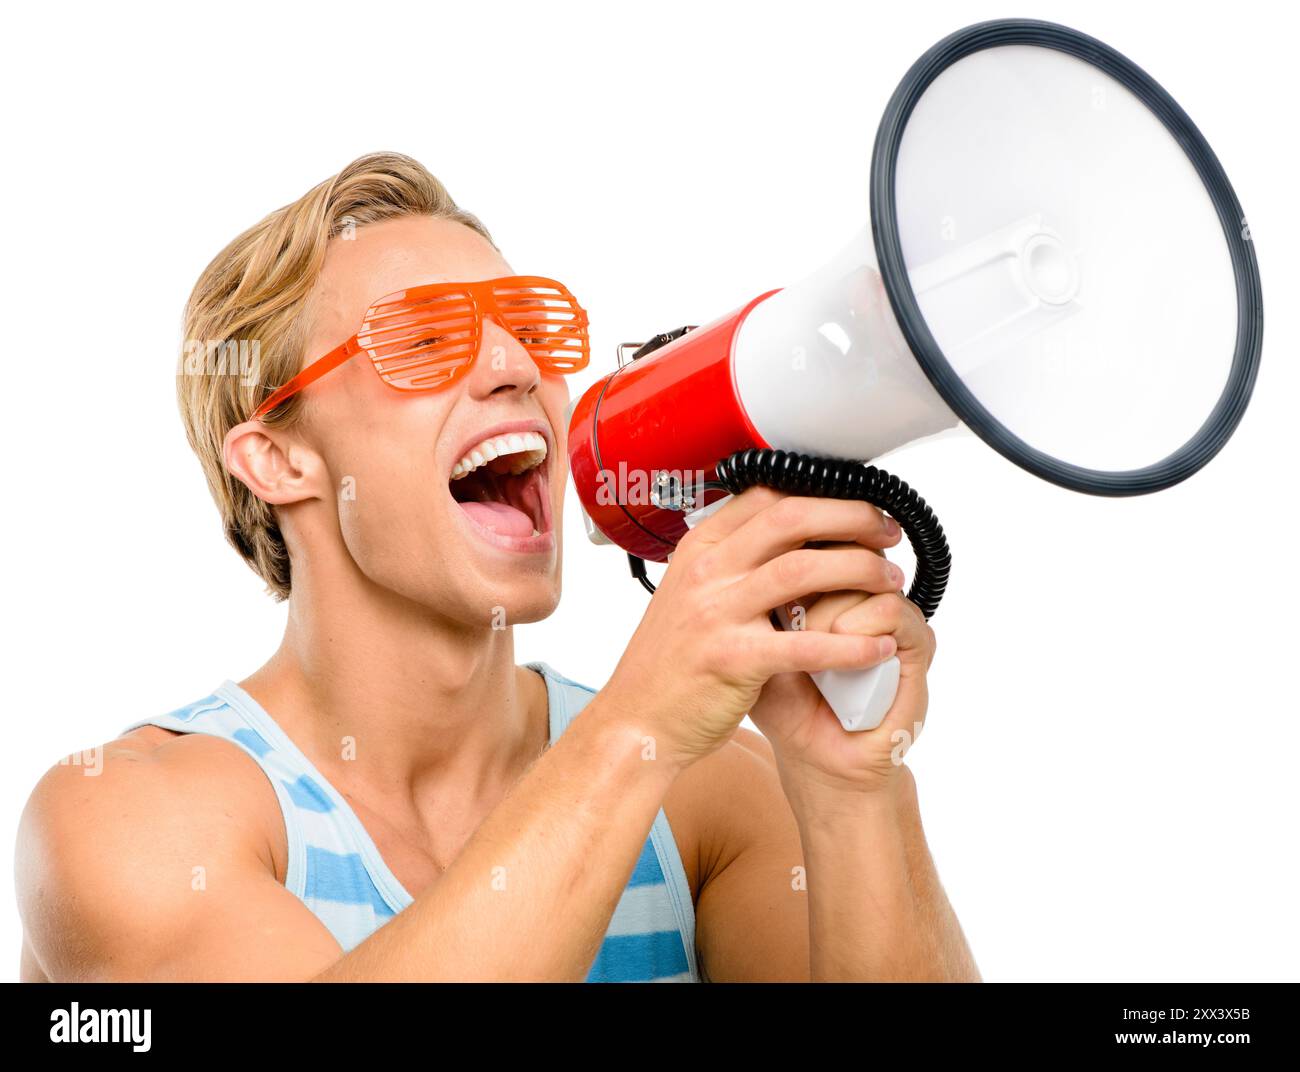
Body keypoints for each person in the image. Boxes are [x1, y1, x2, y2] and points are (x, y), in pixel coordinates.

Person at [15, 152, 978, 982]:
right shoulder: (123, 816)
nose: (518, 368)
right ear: (278, 460)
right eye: (424, 341)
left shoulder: (708, 795)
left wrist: (853, 785)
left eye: (530, 329)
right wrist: (636, 723)